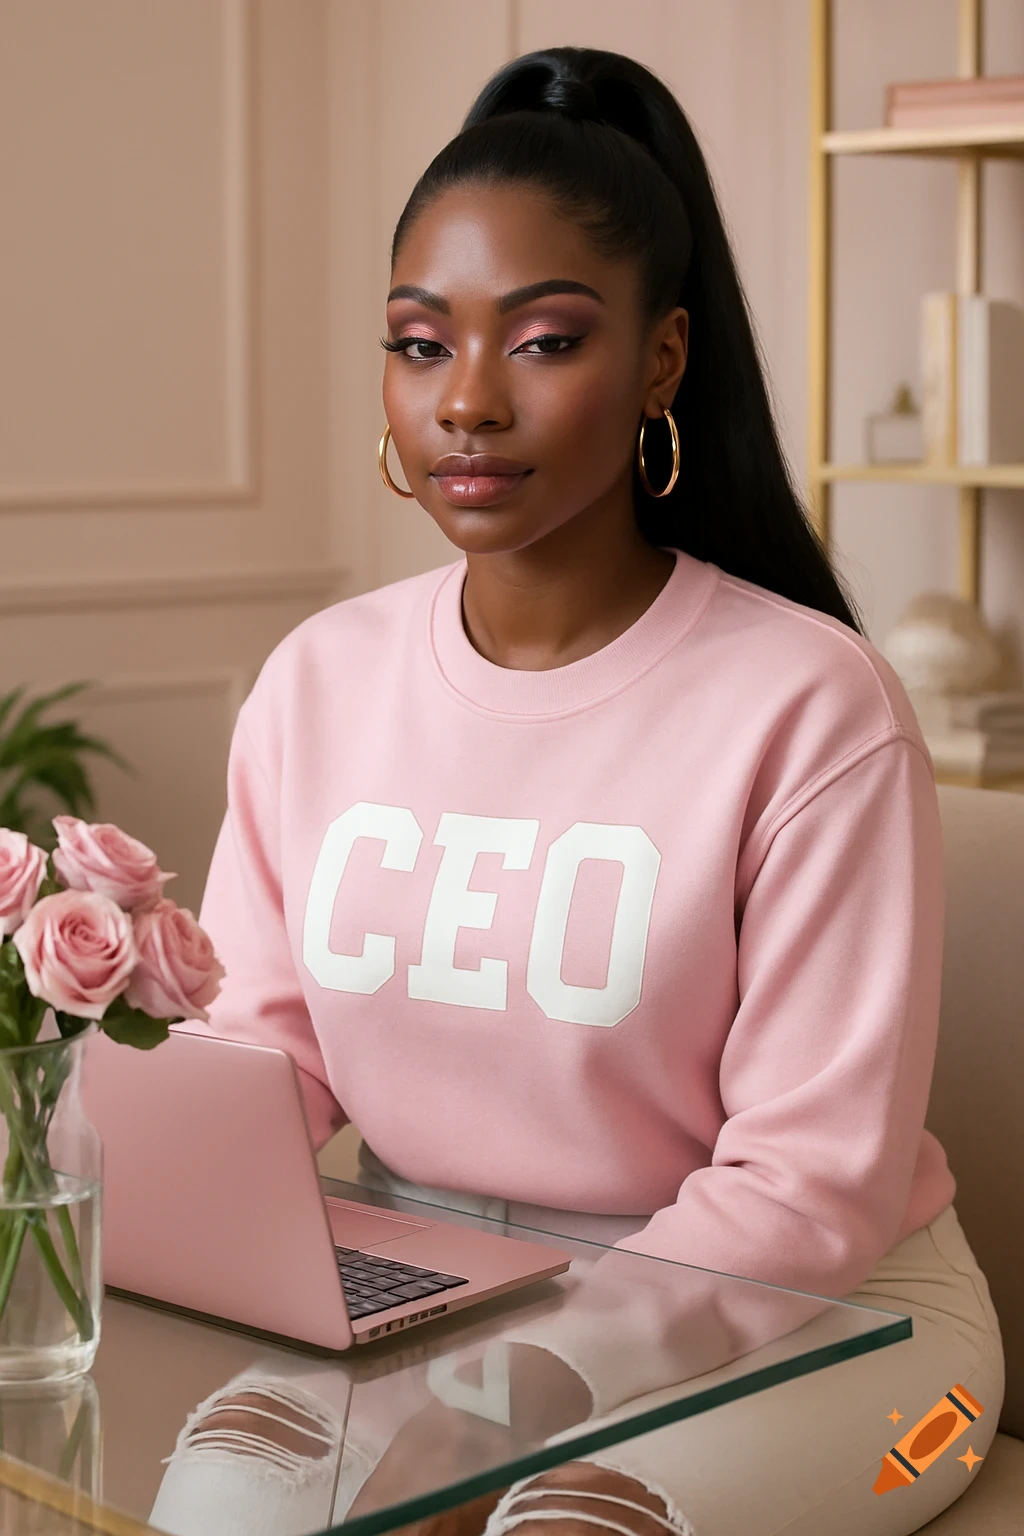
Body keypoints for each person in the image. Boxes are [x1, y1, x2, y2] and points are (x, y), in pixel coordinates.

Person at [180, 45, 1004, 1536]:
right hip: (426, 1286)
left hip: (853, 1346)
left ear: (662, 361)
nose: (469, 402)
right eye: (421, 344)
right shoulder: (320, 679)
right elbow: (257, 1057)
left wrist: (515, 1399)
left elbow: (811, 1187)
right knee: (223, 1507)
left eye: (545, 343)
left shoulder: (812, 707)